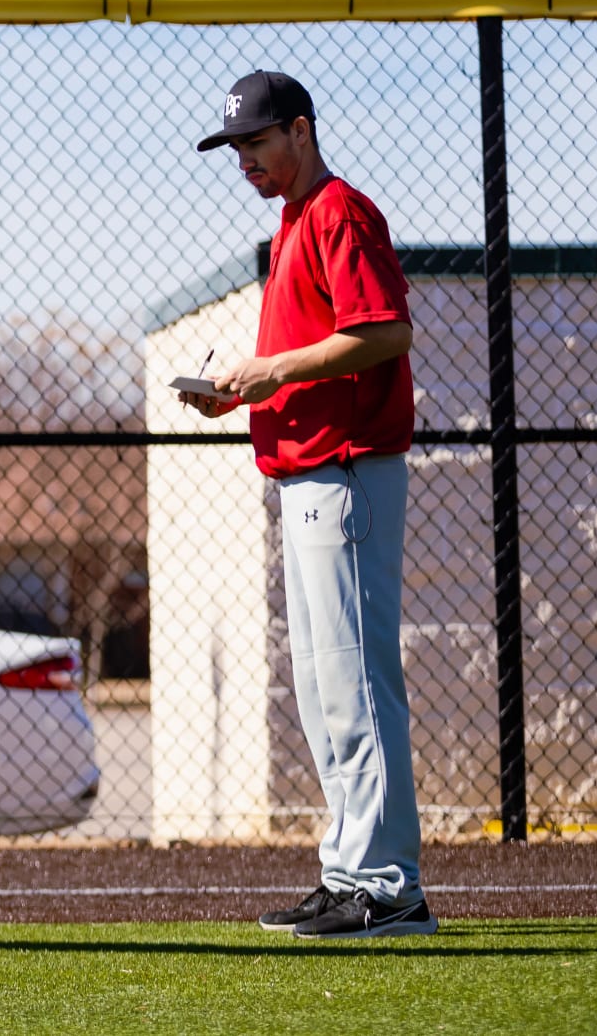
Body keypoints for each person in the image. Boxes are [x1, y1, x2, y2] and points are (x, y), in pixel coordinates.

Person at [185, 70, 434, 940]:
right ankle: (351, 873)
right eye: (235, 149)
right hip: (311, 472)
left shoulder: (339, 211)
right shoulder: (296, 219)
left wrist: (272, 371)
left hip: (348, 468)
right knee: (328, 686)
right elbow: (313, 353)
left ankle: (390, 887)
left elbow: (388, 331)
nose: (244, 161)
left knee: (355, 681)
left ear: (300, 130)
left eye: (256, 142)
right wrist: (239, 392)